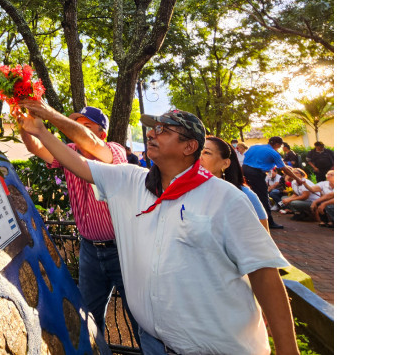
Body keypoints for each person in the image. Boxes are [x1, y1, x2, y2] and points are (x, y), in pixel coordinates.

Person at [18, 109, 300, 355]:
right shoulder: (130, 180)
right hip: (153, 344)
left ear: (189, 146)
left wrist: (288, 350)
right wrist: (40, 130)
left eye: (164, 130)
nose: (152, 133)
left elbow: (264, 274)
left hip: (216, 347)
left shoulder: (226, 198)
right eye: (154, 127)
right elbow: (77, 163)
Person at [16, 100, 142, 343]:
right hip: (89, 250)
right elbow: (35, 147)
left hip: (122, 249)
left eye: (84, 126)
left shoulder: (112, 150)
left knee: (139, 317)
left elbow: (93, 144)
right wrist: (24, 123)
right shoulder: (68, 152)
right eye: (74, 124)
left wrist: (50, 115)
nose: (74, 129)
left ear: (101, 133)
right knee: (89, 316)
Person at [200, 136, 269, 230]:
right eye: (197, 152)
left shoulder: (244, 194)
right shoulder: (190, 191)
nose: (199, 158)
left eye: (206, 152)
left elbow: (263, 237)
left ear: (225, 163)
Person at [242, 137, 302, 230]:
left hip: (245, 170)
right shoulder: (274, 153)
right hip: (256, 173)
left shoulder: (254, 147)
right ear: (278, 144)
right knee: (263, 198)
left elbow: (245, 157)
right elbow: (284, 169)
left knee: (249, 195)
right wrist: (297, 178)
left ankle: (252, 220)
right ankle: (268, 222)